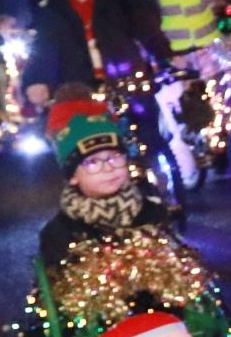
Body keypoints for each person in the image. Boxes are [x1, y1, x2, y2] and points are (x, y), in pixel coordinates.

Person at [23, 0, 164, 106]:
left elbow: (148, 29)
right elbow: (43, 52)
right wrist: (35, 80)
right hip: (83, 101)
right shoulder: (52, 12)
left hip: (131, 93)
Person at [37, 90, 173, 268]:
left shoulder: (152, 213)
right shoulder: (60, 233)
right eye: (92, 162)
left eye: (114, 157)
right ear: (72, 177)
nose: (108, 168)